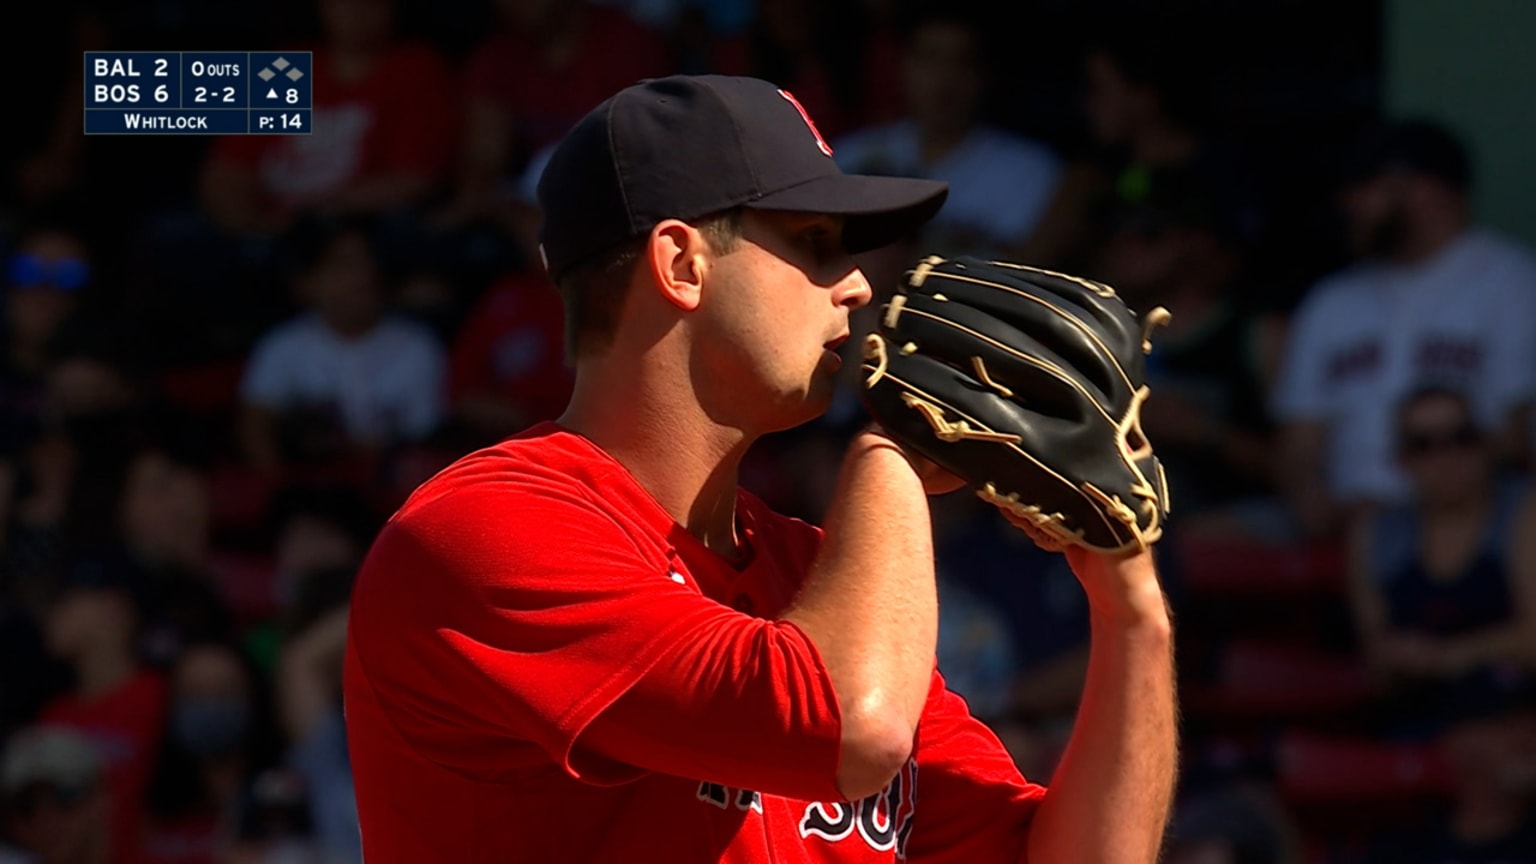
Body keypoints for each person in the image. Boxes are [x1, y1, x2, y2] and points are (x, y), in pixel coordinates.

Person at [343, 73, 1177, 862]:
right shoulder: (488, 530)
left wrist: (1130, 609)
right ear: (681, 265)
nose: (854, 285)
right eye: (815, 244)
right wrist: (893, 447)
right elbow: (852, 728)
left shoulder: (813, 576)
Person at [1271, 120, 1536, 540]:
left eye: (1365, 184)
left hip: (1473, 524)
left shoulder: (1513, 282)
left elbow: (1518, 436)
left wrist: (1411, 506)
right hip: (1341, 523)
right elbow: (1299, 443)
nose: (1349, 202)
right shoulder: (1332, 300)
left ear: (1426, 189)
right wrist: (1318, 509)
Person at [1346, 386, 1536, 735]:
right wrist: (1400, 658)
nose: (1446, 456)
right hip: (1418, 711)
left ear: (1486, 445)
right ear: (1401, 460)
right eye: (1424, 444)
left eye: (1461, 438)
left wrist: (1449, 658)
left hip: (1514, 712)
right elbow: (1376, 653)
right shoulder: (1378, 534)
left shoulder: (1523, 512)